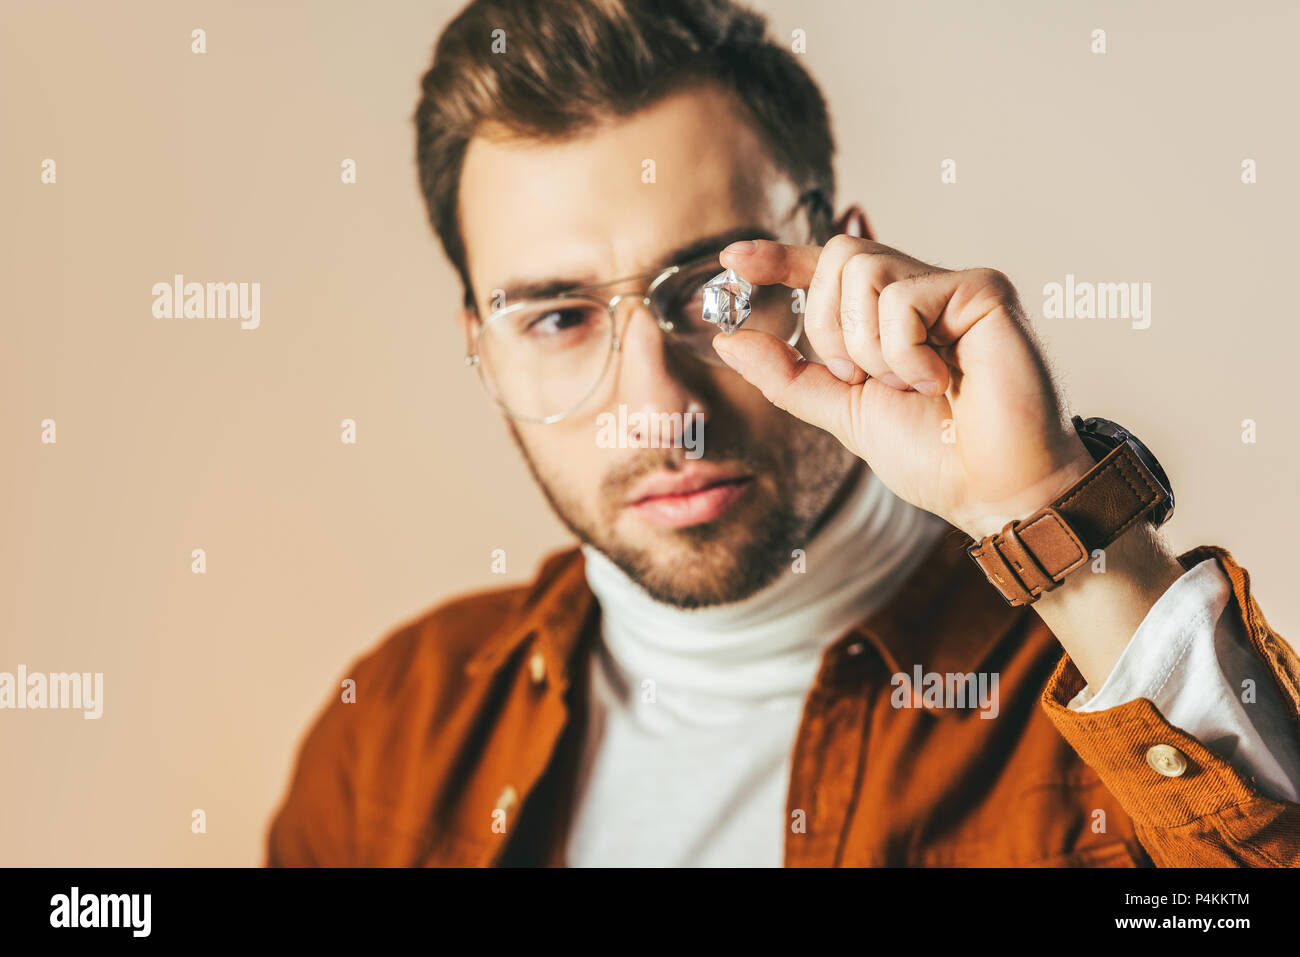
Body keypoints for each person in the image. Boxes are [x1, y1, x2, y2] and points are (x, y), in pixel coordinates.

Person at [267, 0, 1300, 867]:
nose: (659, 405)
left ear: (842, 261)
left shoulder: (1095, 688)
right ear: (482, 350)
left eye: (717, 295)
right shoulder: (392, 732)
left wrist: (1045, 518)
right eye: (557, 316)